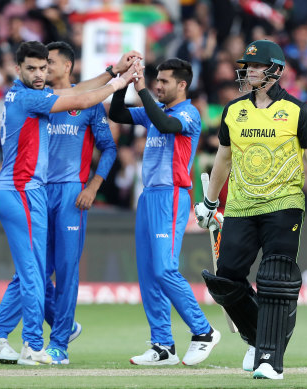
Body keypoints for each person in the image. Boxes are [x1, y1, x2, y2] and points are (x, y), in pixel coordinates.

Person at [194, 40, 307, 380]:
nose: (248, 70)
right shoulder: (234, 110)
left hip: (284, 206)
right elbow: (223, 158)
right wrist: (209, 201)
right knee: (226, 280)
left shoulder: (298, 111)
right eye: (246, 65)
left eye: (255, 65)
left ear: (275, 70)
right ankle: (259, 336)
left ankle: (269, 358)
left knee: (274, 280)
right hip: (240, 205)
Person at [0, 41, 138, 365]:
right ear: (21, 68)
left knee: (57, 269)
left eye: (46, 65)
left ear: (65, 67)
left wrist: (111, 72)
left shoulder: (46, 96)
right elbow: (79, 97)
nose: (42, 71)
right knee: (35, 271)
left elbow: (92, 115)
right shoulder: (41, 97)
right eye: (36, 67)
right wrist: (118, 82)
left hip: (65, 192)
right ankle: (28, 341)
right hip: (29, 189)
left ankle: (51, 339)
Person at [109, 58, 220, 366]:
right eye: (155, 80)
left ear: (182, 84)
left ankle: (203, 331)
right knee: (148, 274)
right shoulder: (155, 110)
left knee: (164, 269)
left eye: (164, 82)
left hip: (172, 195)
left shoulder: (188, 113)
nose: (158, 85)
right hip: (148, 197)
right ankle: (162, 346)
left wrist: (142, 89)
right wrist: (123, 83)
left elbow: (166, 125)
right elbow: (118, 113)